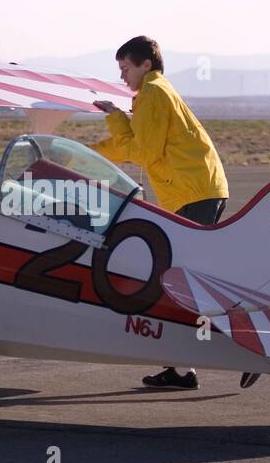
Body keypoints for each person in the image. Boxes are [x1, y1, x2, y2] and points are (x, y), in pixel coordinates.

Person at [91, 36, 229, 390]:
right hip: (198, 190)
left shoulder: (152, 93)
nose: (122, 77)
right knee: (178, 279)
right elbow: (143, 144)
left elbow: (143, 152)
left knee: (179, 282)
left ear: (145, 65)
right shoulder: (157, 91)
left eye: (125, 69)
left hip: (193, 193)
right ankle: (181, 368)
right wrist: (105, 136)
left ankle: (223, 345)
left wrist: (111, 125)